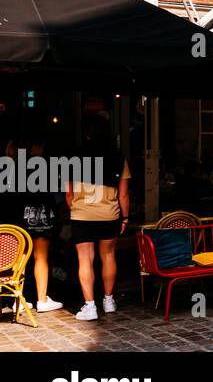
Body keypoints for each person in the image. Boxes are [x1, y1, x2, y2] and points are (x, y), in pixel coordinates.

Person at [65, 118, 130, 321]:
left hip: (82, 214)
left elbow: (68, 194)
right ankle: (109, 301)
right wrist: (125, 218)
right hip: (109, 214)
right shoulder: (118, 157)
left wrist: (76, 209)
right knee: (108, 256)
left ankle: (90, 306)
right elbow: (124, 195)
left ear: (86, 134)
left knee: (85, 259)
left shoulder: (73, 157)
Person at [6, 138, 62, 313]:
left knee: (20, 259)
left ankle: (17, 301)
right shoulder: (45, 164)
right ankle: (42, 299)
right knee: (41, 257)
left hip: (20, 216)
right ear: (35, 147)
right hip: (42, 214)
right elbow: (55, 193)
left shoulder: (12, 166)